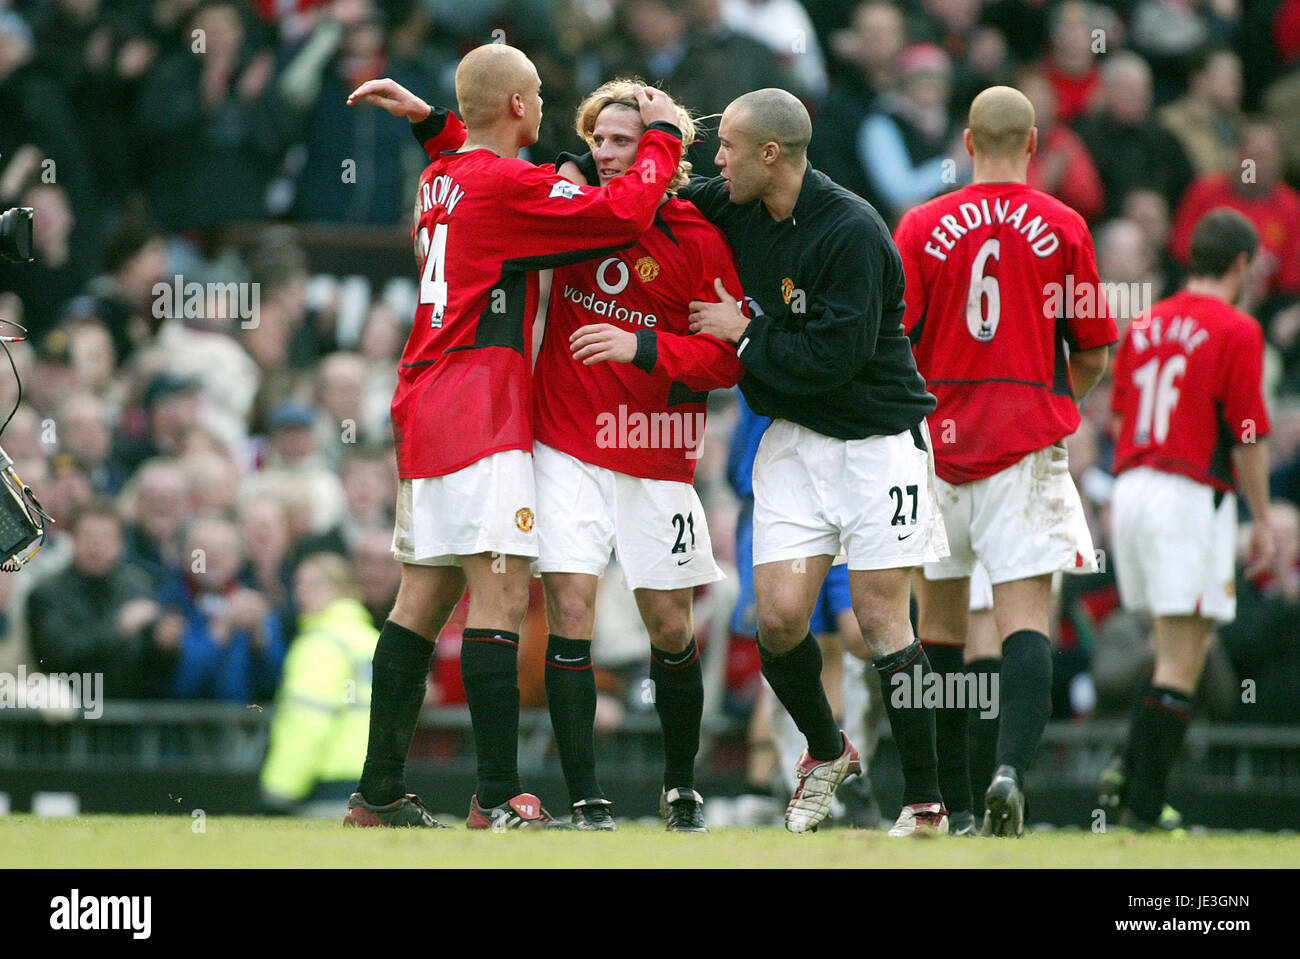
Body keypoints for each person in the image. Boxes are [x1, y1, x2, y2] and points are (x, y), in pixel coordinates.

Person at [338, 44, 684, 830]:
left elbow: (469, 160)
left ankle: (380, 790)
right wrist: (661, 138)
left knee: (421, 597)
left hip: (423, 396)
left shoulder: (441, 177)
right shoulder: (505, 184)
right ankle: (498, 795)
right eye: (533, 95)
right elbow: (622, 214)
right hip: (480, 403)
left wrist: (432, 122)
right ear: (522, 107)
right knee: (499, 593)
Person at [405, 75, 746, 831]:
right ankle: (585, 795)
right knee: (569, 609)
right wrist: (438, 126)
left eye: (627, 140)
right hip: (564, 446)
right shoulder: (567, 218)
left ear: (659, 149)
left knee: (669, 625)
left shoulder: (696, 238)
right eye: (600, 140)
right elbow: (484, 171)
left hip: (657, 451)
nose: (611, 154)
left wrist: (645, 345)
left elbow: (726, 362)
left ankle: (680, 782)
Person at [686, 88, 951, 837]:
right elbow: (666, 192)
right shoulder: (740, 202)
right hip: (796, 443)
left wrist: (743, 334)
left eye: (727, 146)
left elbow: (834, 361)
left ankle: (925, 800)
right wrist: (635, 135)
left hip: (876, 443)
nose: (717, 160)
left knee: (880, 620)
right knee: (775, 619)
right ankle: (828, 751)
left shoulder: (855, 231)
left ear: (771, 154)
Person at [893, 86, 1117, 836]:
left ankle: (951, 804)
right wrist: (1057, 402)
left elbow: (895, 339)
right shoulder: (1064, 225)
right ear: (1031, 144)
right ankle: (1010, 773)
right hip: (1024, 442)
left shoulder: (922, 224)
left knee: (942, 633)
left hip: (938, 442)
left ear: (965, 141)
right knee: (1026, 623)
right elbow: (1093, 346)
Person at [1106, 208, 1274, 830]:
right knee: (1182, 659)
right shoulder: (1237, 328)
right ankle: (1143, 810)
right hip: (1186, 492)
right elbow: (1250, 435)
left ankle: (1127, 774)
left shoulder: (1147, 321)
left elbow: (1121, 418)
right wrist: (1260, 518)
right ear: (1241, 265)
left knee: (1180, 649)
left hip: (1132, 487)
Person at [259, 553, 379, 817]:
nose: (302, 593)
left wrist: (280, 790)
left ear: (343, 589)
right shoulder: (372, 640)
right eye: (299, 585)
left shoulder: (321, 643)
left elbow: (307, 721)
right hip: (372, 786)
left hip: (325, 783)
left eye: (315, 585)